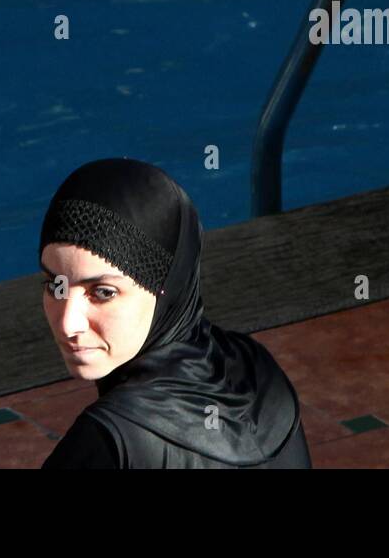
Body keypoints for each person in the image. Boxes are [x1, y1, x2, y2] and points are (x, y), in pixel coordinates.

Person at [37, 158, 311, 468]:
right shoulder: (257, 369)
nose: (68, 323)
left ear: (168, 288)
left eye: (103, 293)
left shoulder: (109, 440)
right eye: (55, 286)